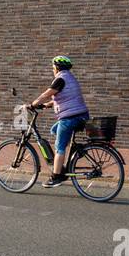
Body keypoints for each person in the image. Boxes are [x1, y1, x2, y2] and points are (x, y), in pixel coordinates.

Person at [29, 55, 89, 187]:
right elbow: (64, 98)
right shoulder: (70, 78)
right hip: (81, 115)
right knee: (54, 130)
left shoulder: (60, 79)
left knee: (59, 146)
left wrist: (33, 104)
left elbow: (47, 94)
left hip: (70, 118)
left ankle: (56, 176)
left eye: (53, 67)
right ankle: (68, 153)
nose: (53, 70)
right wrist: (47, 105)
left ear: (57, 67)